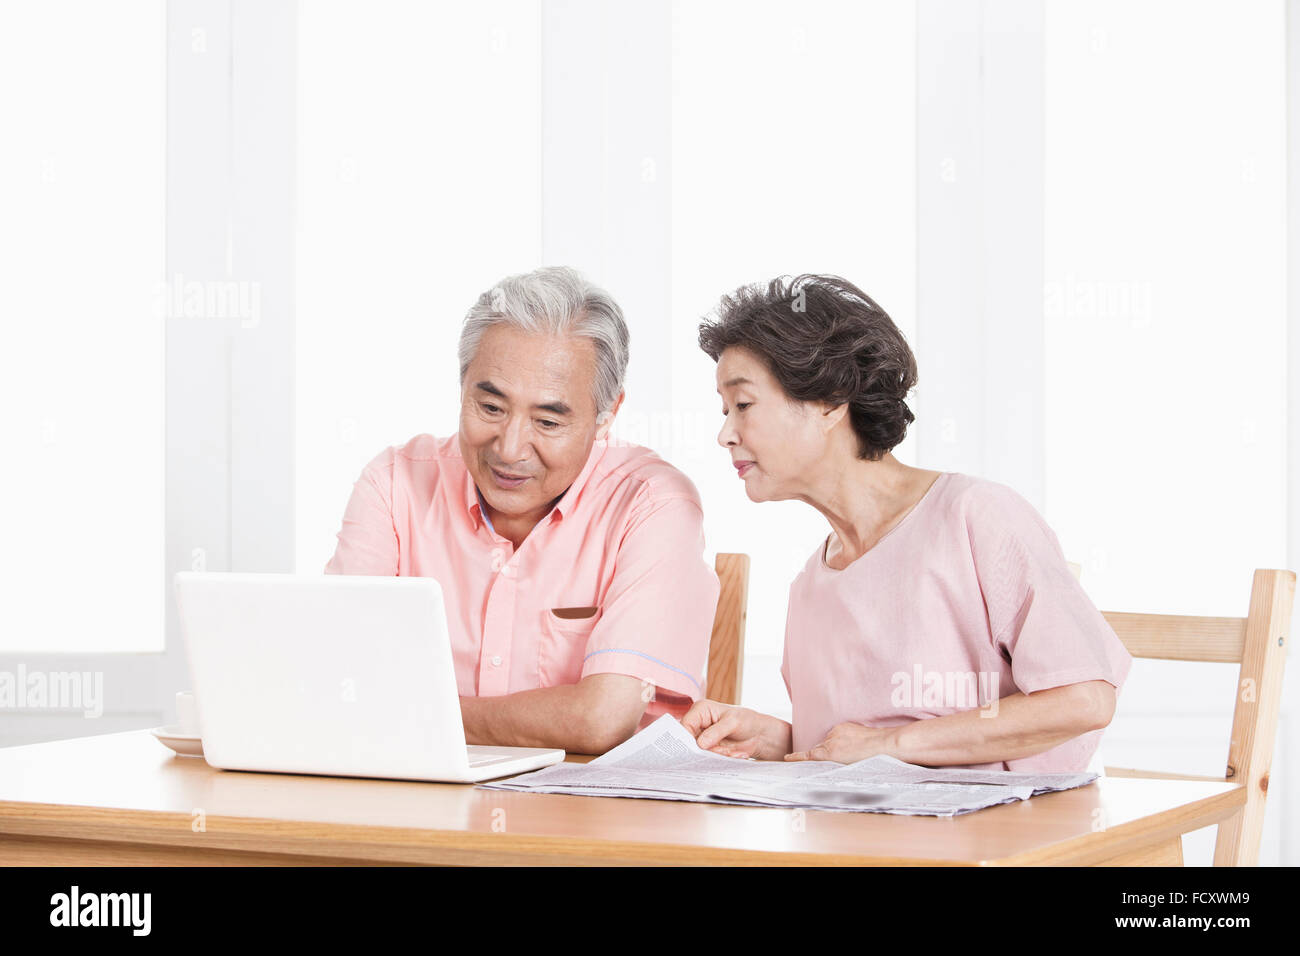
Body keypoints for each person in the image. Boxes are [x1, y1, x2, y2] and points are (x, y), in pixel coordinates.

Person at [682, 274, 1131, 771]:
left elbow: (1085, 698)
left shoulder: (977, 517)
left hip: (992, 839)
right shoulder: (810, 584)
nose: (725, 434)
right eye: (725, 411)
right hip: (862, 839)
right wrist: (782, 739)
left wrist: (888, 748)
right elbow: (861, 743)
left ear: (830, 400)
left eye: (743, 405)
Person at [325, 266, 719, 755]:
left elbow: (600, 721)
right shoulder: (394, 482)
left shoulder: (654, 505)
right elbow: (343, 679)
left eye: (548, 420)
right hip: (419, 805)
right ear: (462, 385)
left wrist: (415, 710)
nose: (510, 449)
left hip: (590, 820)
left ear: (606, 416)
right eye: (490, 408)